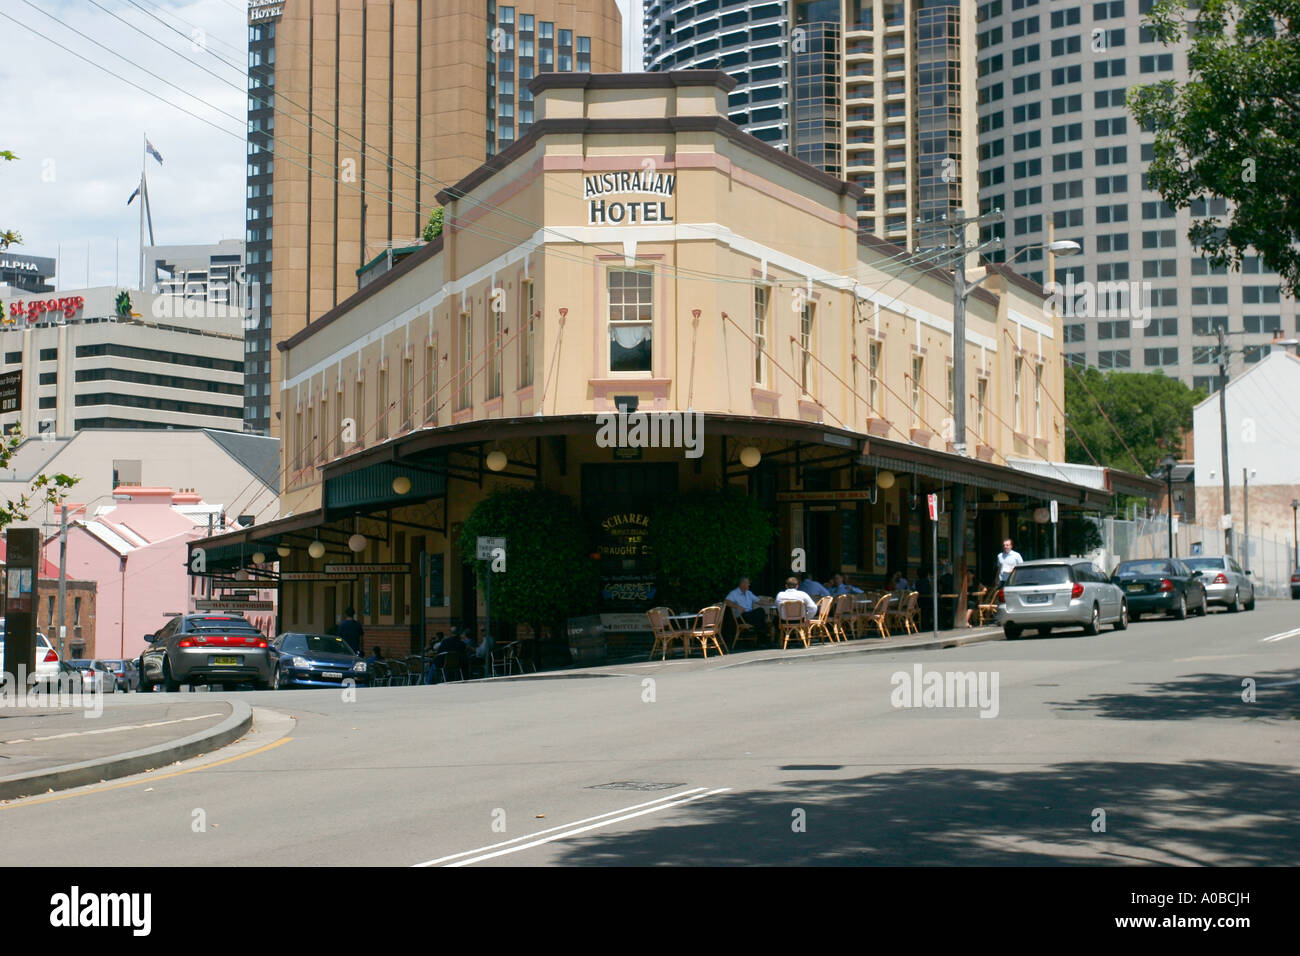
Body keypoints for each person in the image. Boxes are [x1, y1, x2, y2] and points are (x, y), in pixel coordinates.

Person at [724, 576, 770, 644]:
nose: (749, 584)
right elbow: (726, 601)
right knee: (760, 615)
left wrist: (771, 603)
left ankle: (761, 640)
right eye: (748, 583)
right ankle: (763, 640)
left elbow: (758, 601)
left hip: (749, 615)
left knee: (760, 613)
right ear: (742, 584)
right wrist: (738, 606)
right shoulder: (734, 593)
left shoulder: (748, 593)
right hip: (741, 616)